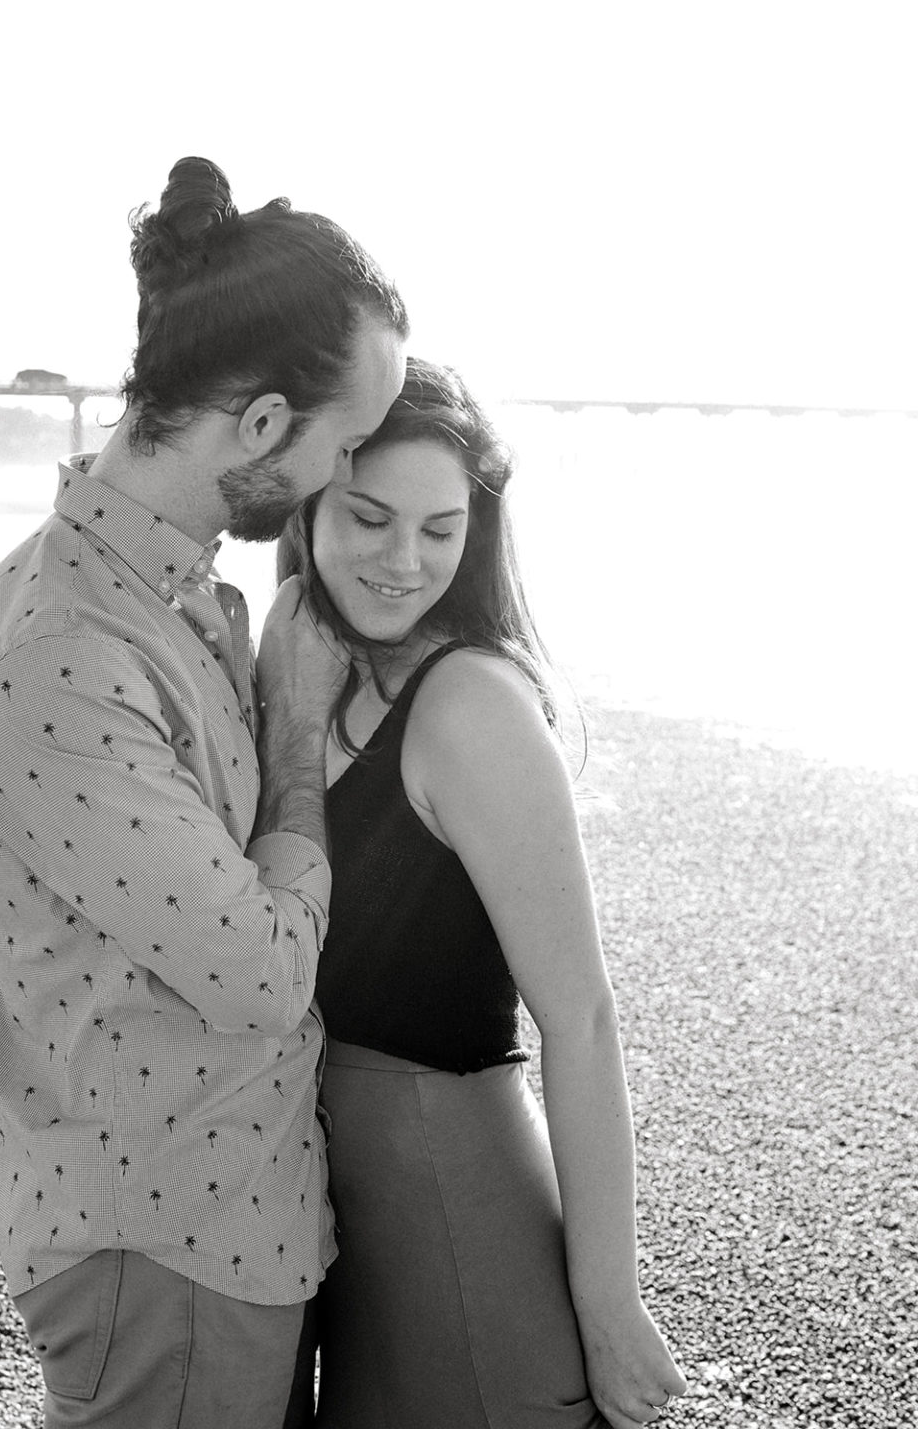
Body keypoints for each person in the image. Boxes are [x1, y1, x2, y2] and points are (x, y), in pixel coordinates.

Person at [0, 156, 408, 1429]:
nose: (352, 486)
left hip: (227, 1213)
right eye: (347, 446)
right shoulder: (66, 656)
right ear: (259, 428)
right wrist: (298, 733)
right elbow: (258, 973)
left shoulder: (166, 592)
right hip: (167, 1242)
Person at [274, 360, 687, 1429]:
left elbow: (583, 1018)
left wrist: (609, 1301)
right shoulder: (301, 669)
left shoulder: (470, 706)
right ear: (312, 493)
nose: (403, 561)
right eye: (369, 518)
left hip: (459, 1219)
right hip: (342, 1244)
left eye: (440, 530)